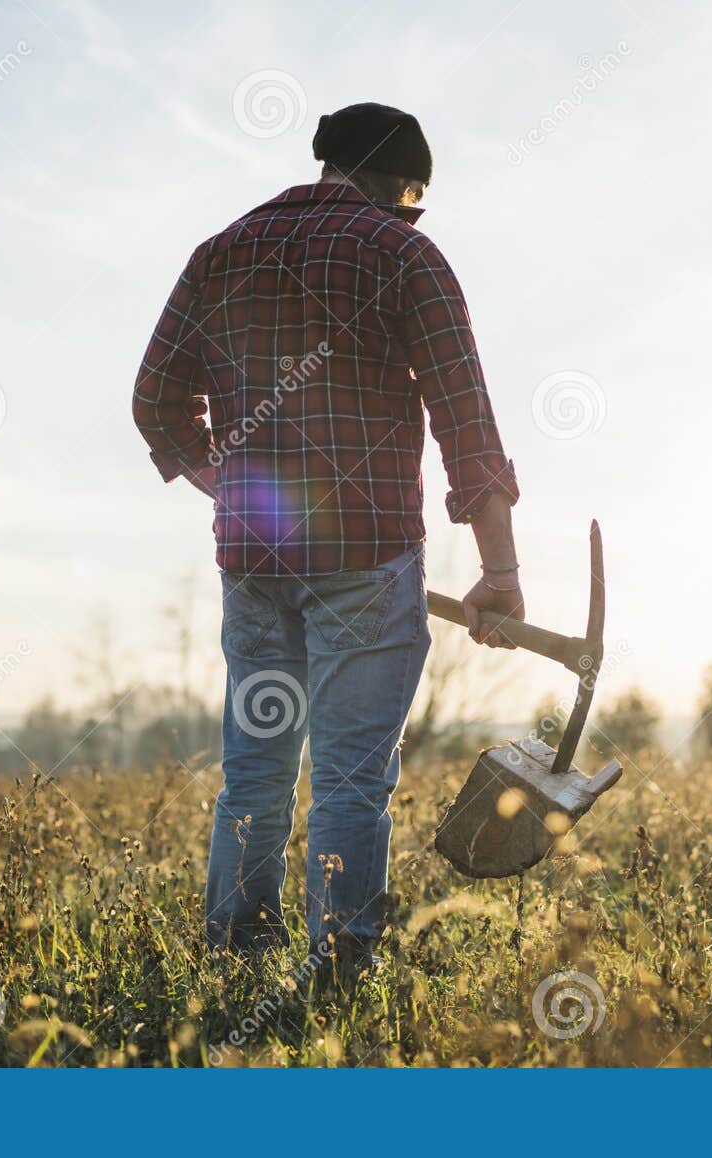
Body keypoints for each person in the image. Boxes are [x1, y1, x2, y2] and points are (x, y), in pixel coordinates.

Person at [132, 101, 522, 982]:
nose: (413, 209)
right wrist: (499, 570)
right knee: (350, 779)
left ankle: (236, 959)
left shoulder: (218, 254)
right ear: (396, 181)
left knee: (255, 771)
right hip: (368, 563)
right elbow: (466, 419)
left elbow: (155, 401)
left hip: (254, 564)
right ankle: (338, 972)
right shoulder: (402, 252)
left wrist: (228, 486)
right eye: (415, 192)